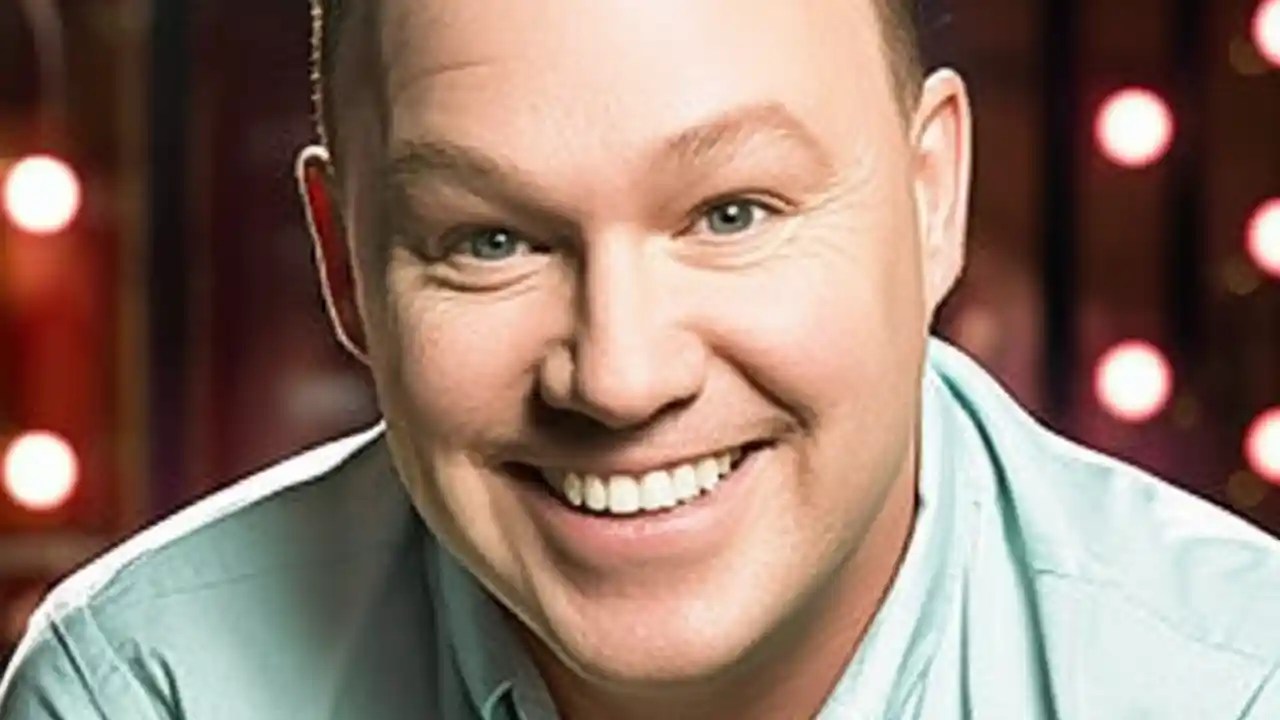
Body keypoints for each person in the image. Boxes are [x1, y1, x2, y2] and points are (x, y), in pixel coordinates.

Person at [3, 0, 1280, 717]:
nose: (616, 376)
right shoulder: (149, 694)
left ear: (928, 195)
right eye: (489, 240)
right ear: (345, 268)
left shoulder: (1232, 683)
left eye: (731, 213)